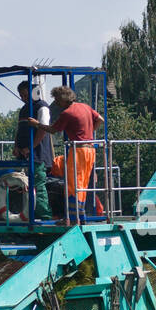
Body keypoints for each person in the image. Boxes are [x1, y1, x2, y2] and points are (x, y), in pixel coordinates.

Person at [28, 87, 104, 222]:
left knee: (72, 184)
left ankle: (73, 217)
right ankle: (80, 215)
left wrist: (37, 124)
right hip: (90, 150)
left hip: (78, 151)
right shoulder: (85, 107)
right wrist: (89, 133)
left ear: (63, 99)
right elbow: (100, 119)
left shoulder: (67, 113)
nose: (56, 103)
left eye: (57, 99)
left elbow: (52, 130)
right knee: (83, 184)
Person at [13, 80, 53, 217]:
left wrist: (31, 147)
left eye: (25, 95)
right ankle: (26, 215)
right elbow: (19, 130)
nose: (23, 98)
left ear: (34, 93)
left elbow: (43, 130)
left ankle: (44, 216)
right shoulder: (24, 109)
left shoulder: (42, 107)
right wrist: (16, 147)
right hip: (23, 155)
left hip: (38, 156)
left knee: (38, 186)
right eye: (21, 95)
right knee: (21, 185)